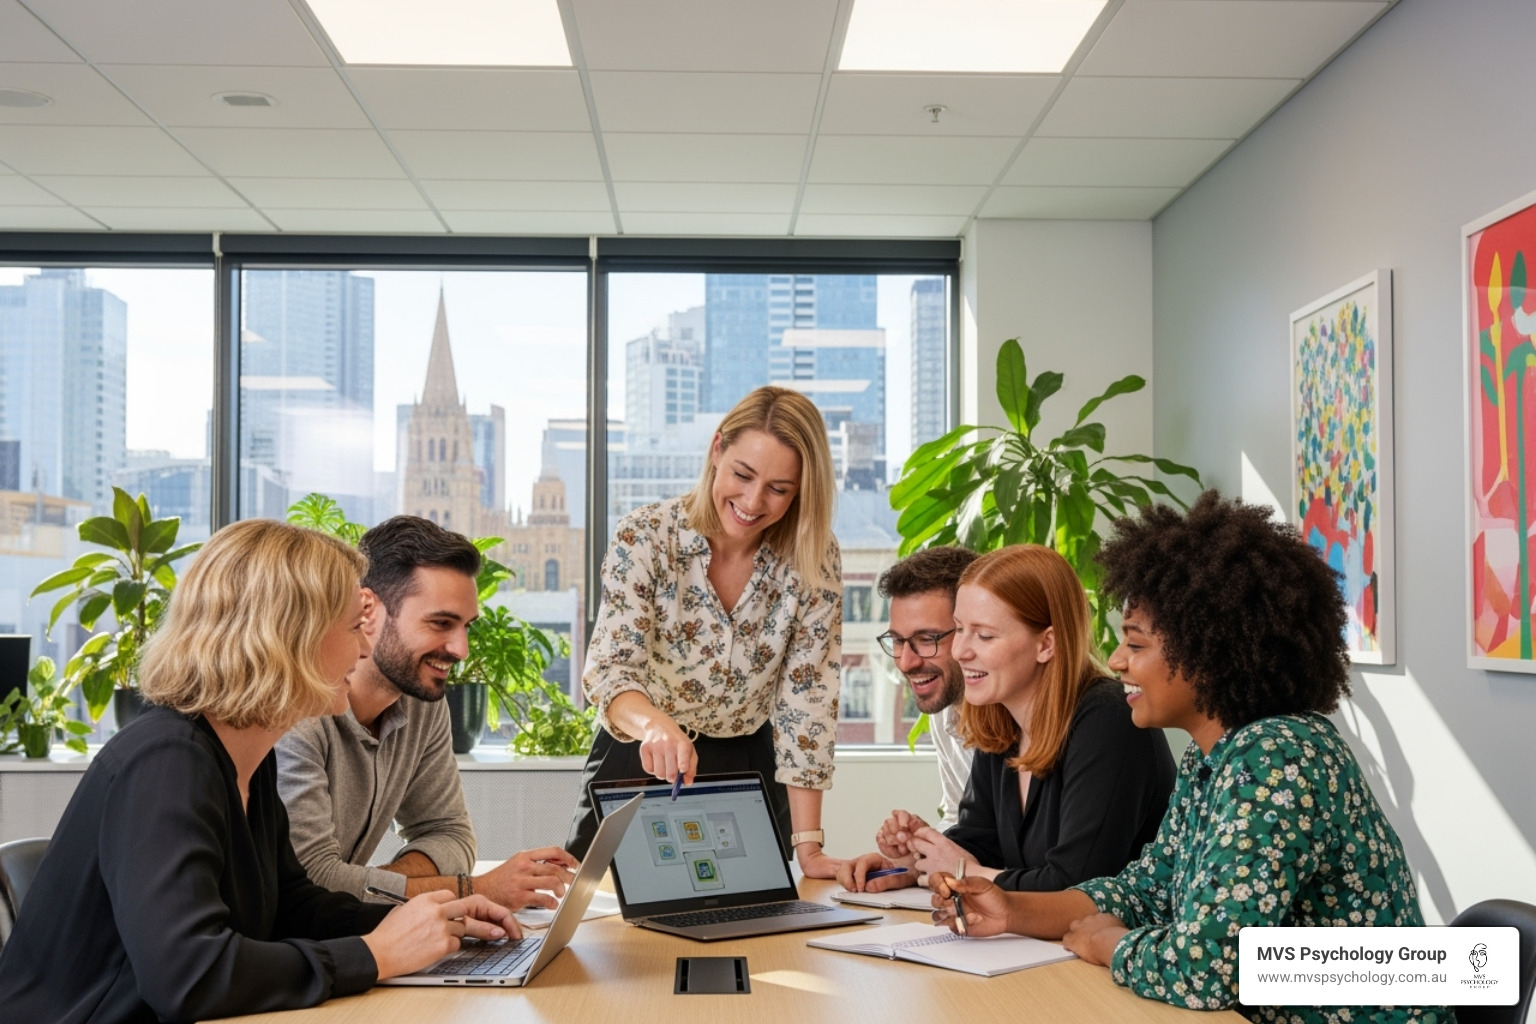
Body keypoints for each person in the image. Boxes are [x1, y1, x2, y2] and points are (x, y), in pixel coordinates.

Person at [929, 493, 1451, 1024]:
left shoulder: (1278, 758)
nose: (1115, 661)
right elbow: (1145, 890)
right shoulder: (1215, 762)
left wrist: (1112, 944)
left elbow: (1208, 968)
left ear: (1204, 653)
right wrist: (1010, 908)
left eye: (1135, 645)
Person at [0, 519, 516, 1023]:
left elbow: (290, 907)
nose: (363, 649)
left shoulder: (248, 760)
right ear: (289, 637)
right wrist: (375, 955)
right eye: (354, 627)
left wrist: (433, 923)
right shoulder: (167, 763)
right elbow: (189, 976)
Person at [565, 385, 846, 879]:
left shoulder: (814, 557)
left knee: (752, 927)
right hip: (639, 753)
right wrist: (655, 725)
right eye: (743, 474)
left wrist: (810, 849)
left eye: (780, 489)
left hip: (749, 767)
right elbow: (609, 671)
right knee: (602, 931)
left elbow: (808, 706)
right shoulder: (646, 536)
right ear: (717, 450)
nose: (753, 501)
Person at [277, 515, 578, 909]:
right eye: (441, 623)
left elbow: (449, 834)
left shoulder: (420, 701)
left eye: (466, 626)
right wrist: (475, 890)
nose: (461, 649)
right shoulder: (298, 710)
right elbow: (314, 882)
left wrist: (379, 889)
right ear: (367, 609)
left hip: (338, 936)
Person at [842, 544, 1174, 894]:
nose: (960, 651)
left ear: (1046, 644)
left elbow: (1076, 887)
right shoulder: (999, 717)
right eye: (959, 630)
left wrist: (963, 870)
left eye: (984, 635)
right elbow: (981, 842)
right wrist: (914, 863)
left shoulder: (1109, 721)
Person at [875, 545, 980, 830]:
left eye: (926, 639)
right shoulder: (944, 708)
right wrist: (921, 849)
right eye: (897, 641)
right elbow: (960, 819)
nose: (906, 662)